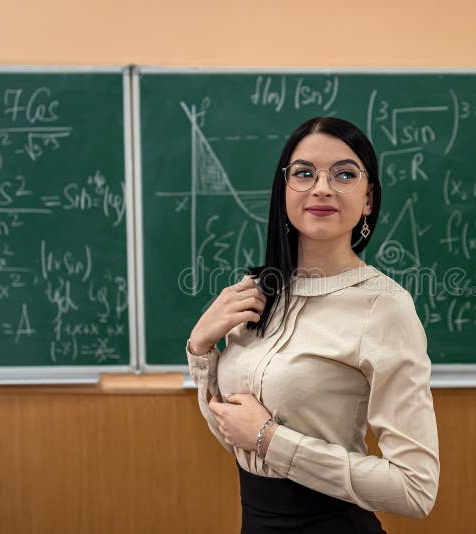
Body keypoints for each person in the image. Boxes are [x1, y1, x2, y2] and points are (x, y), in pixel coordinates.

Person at [186, 116, 439, 533]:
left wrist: (272, 440)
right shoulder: (256, 294)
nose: (322, 187)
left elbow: (415, 489)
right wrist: (200, 350)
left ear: (369, 198)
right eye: (304, 173)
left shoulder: (385, 307)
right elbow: (235, 433)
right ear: (284, 190)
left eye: (344, 174)